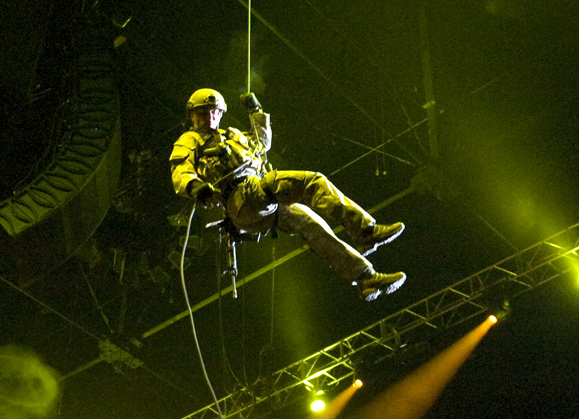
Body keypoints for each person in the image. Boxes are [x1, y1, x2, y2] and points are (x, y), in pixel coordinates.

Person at [170, 88, 406, 300]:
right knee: (311, 181)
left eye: (213, 112)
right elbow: (181, 170)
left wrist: (256, 112)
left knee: (312, 226)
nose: (209, 117)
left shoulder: (233, 136)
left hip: (260, 199)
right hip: (241, 199)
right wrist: (194, 186)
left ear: (220, 113)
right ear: (192, 115)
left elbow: (262, 144)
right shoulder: (190, 140)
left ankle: (366, 278)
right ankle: (365, 231)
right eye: (202, 113)